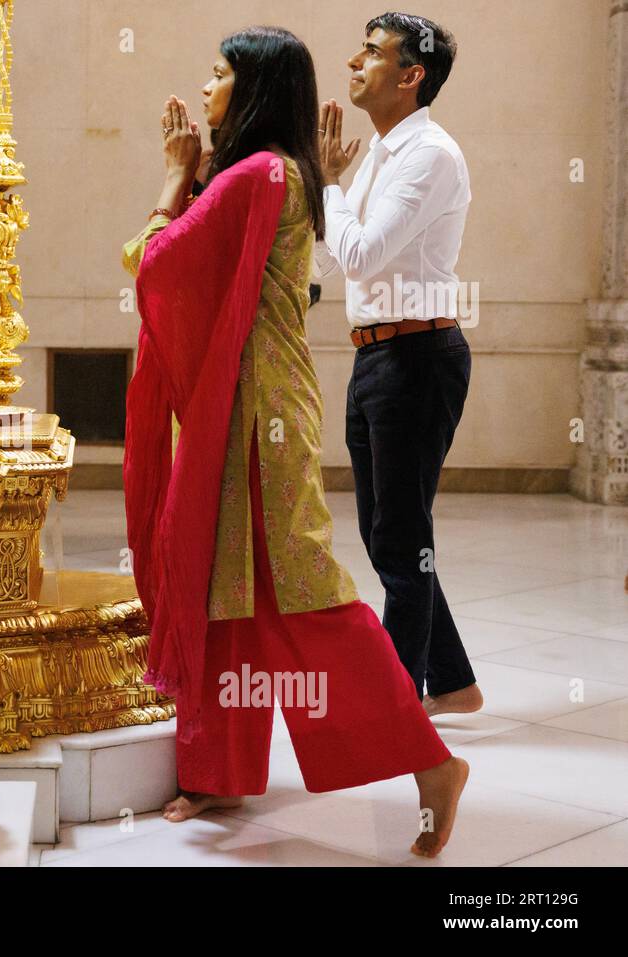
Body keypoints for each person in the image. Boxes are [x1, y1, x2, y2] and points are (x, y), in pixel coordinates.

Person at [121, 25, 467, 857]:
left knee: (307, 593)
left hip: (259, 417)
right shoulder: (270, 173)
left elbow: (151, 259)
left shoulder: (254, 176)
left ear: (253, 91)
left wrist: (172, 178)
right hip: (257, 404)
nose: (205, 91)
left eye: (218, 75)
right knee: (228, 583)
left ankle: (431, 761)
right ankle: (217, 766)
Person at [314, 12, 481, 717]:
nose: (354, 63)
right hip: (379, 354)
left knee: (399, 535)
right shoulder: (382, 152)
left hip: (416, 355)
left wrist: (324, 184)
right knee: (387, 530)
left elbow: (358, 253)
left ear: (412, 76)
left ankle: (391, 708)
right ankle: (453, 681)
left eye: (373, 54)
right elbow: (334, 261)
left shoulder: (429, 154)